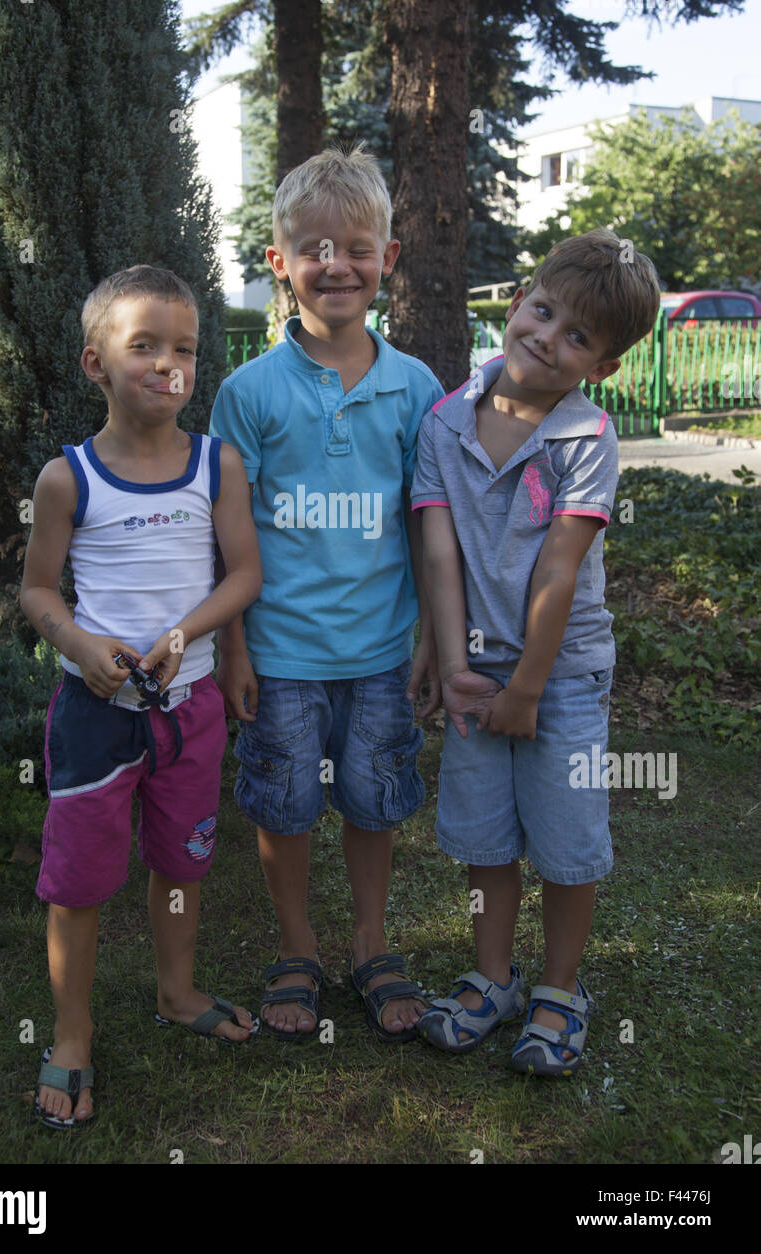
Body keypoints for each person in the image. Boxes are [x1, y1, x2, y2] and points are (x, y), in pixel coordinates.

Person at [210, 146, 496, 1041]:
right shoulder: (246, 392)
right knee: (285, 803)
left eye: (356, 247)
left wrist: (427, 637)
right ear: (279, 263)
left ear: (389, 259)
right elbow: (231, 529)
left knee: (374, 801)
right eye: (314, 248)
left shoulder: (416, 389)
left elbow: (429, 523)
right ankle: (297, 946)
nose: (336, 264)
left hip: (381, 647)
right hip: (282, 651)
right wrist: (233, 642)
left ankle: (371, 944)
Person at [411, 229, 660, 1075]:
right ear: (519, 299)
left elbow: (561, 563)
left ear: (604, 366)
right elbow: (438, 554)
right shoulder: (444, 419)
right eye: (544, 311)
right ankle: (492, 977)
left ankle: (559, 989)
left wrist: (527, 686)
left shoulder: (586, 435)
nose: (548, 338)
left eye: (578, 336)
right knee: (484, 839)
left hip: (562, 677)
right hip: (476, 673)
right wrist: (453, 666)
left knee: (565, 838)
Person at [21, 265, 262, 1128]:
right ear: (95, 364)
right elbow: (38, 592)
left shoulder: (215, 465)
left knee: (179, 862)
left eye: (187, 349)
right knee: (79, 882)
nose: (171, 365)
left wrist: (184, 637)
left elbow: (245, 575)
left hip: (188, 715)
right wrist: (82, 645)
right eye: (146, 347)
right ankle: (72, 1032)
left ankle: (174, 988)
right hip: (94, 719)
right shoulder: (68, 479)